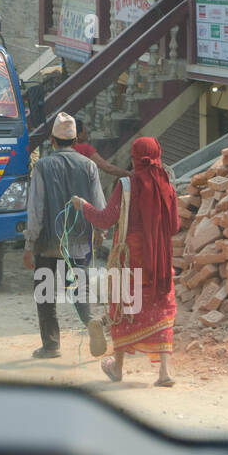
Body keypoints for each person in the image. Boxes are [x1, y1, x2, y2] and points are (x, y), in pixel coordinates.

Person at [71, 136, 179, 387]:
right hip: (159, 258)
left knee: (122, 307)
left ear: (134, 157)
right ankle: (165, 371)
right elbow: (174, 226)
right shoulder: (167, 186)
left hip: (128, 258)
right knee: (159, 305)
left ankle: (117, 367)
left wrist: (83, 206)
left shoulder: (126, 185)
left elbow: (105, 219)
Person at [23, 112, 107, 359]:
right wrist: (100, 231)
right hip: (79, 243)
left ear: (53, 140)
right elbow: (98, 202)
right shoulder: (89, 165)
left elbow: (36, 208)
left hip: (48, 243)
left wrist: (29, 243)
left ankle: (51, 345)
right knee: (79, 289)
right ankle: (91, 321)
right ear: (75, 139)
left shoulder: (42, 166)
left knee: (45, 295)